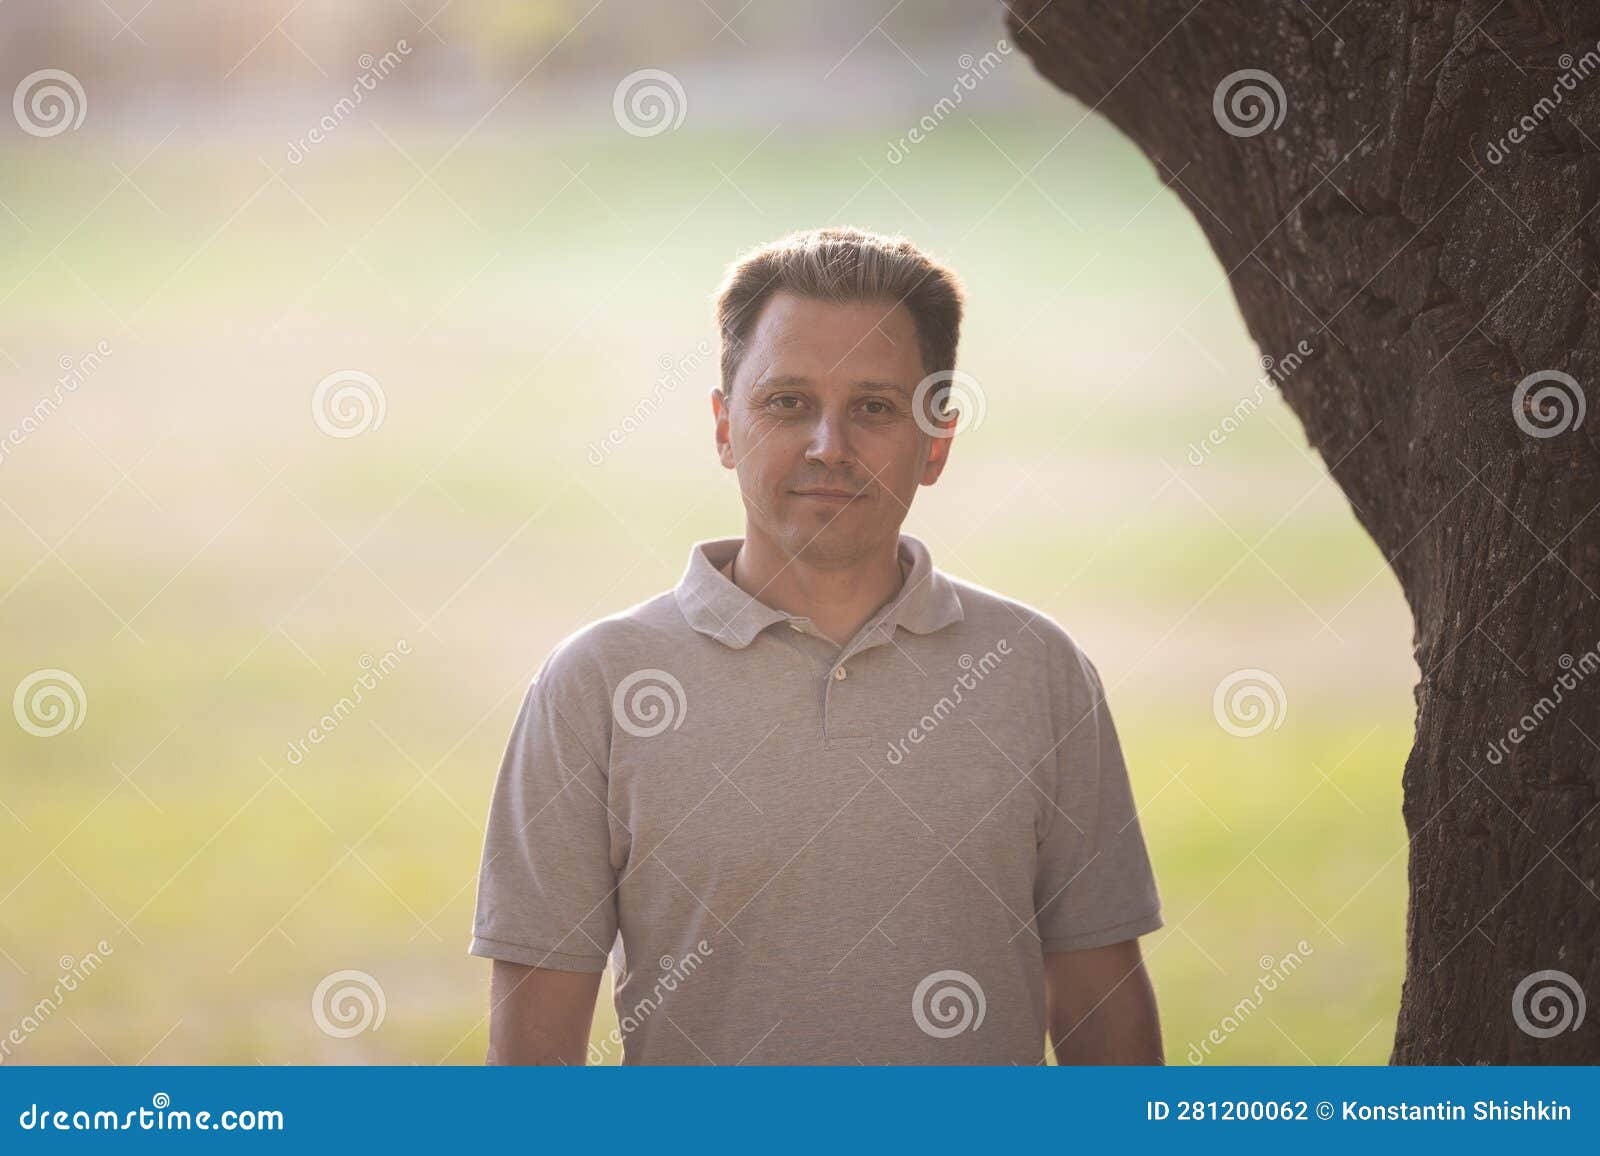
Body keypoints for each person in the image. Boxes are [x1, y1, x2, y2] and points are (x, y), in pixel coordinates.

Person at [469, 225, 1163, 1064]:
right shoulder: (596, 685)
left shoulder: (1037, 671)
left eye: (873, 408)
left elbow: (1103, 1015)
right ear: (725, 428)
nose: (829, 448)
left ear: (936, 442)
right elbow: (531, 1071)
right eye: (788, 403)